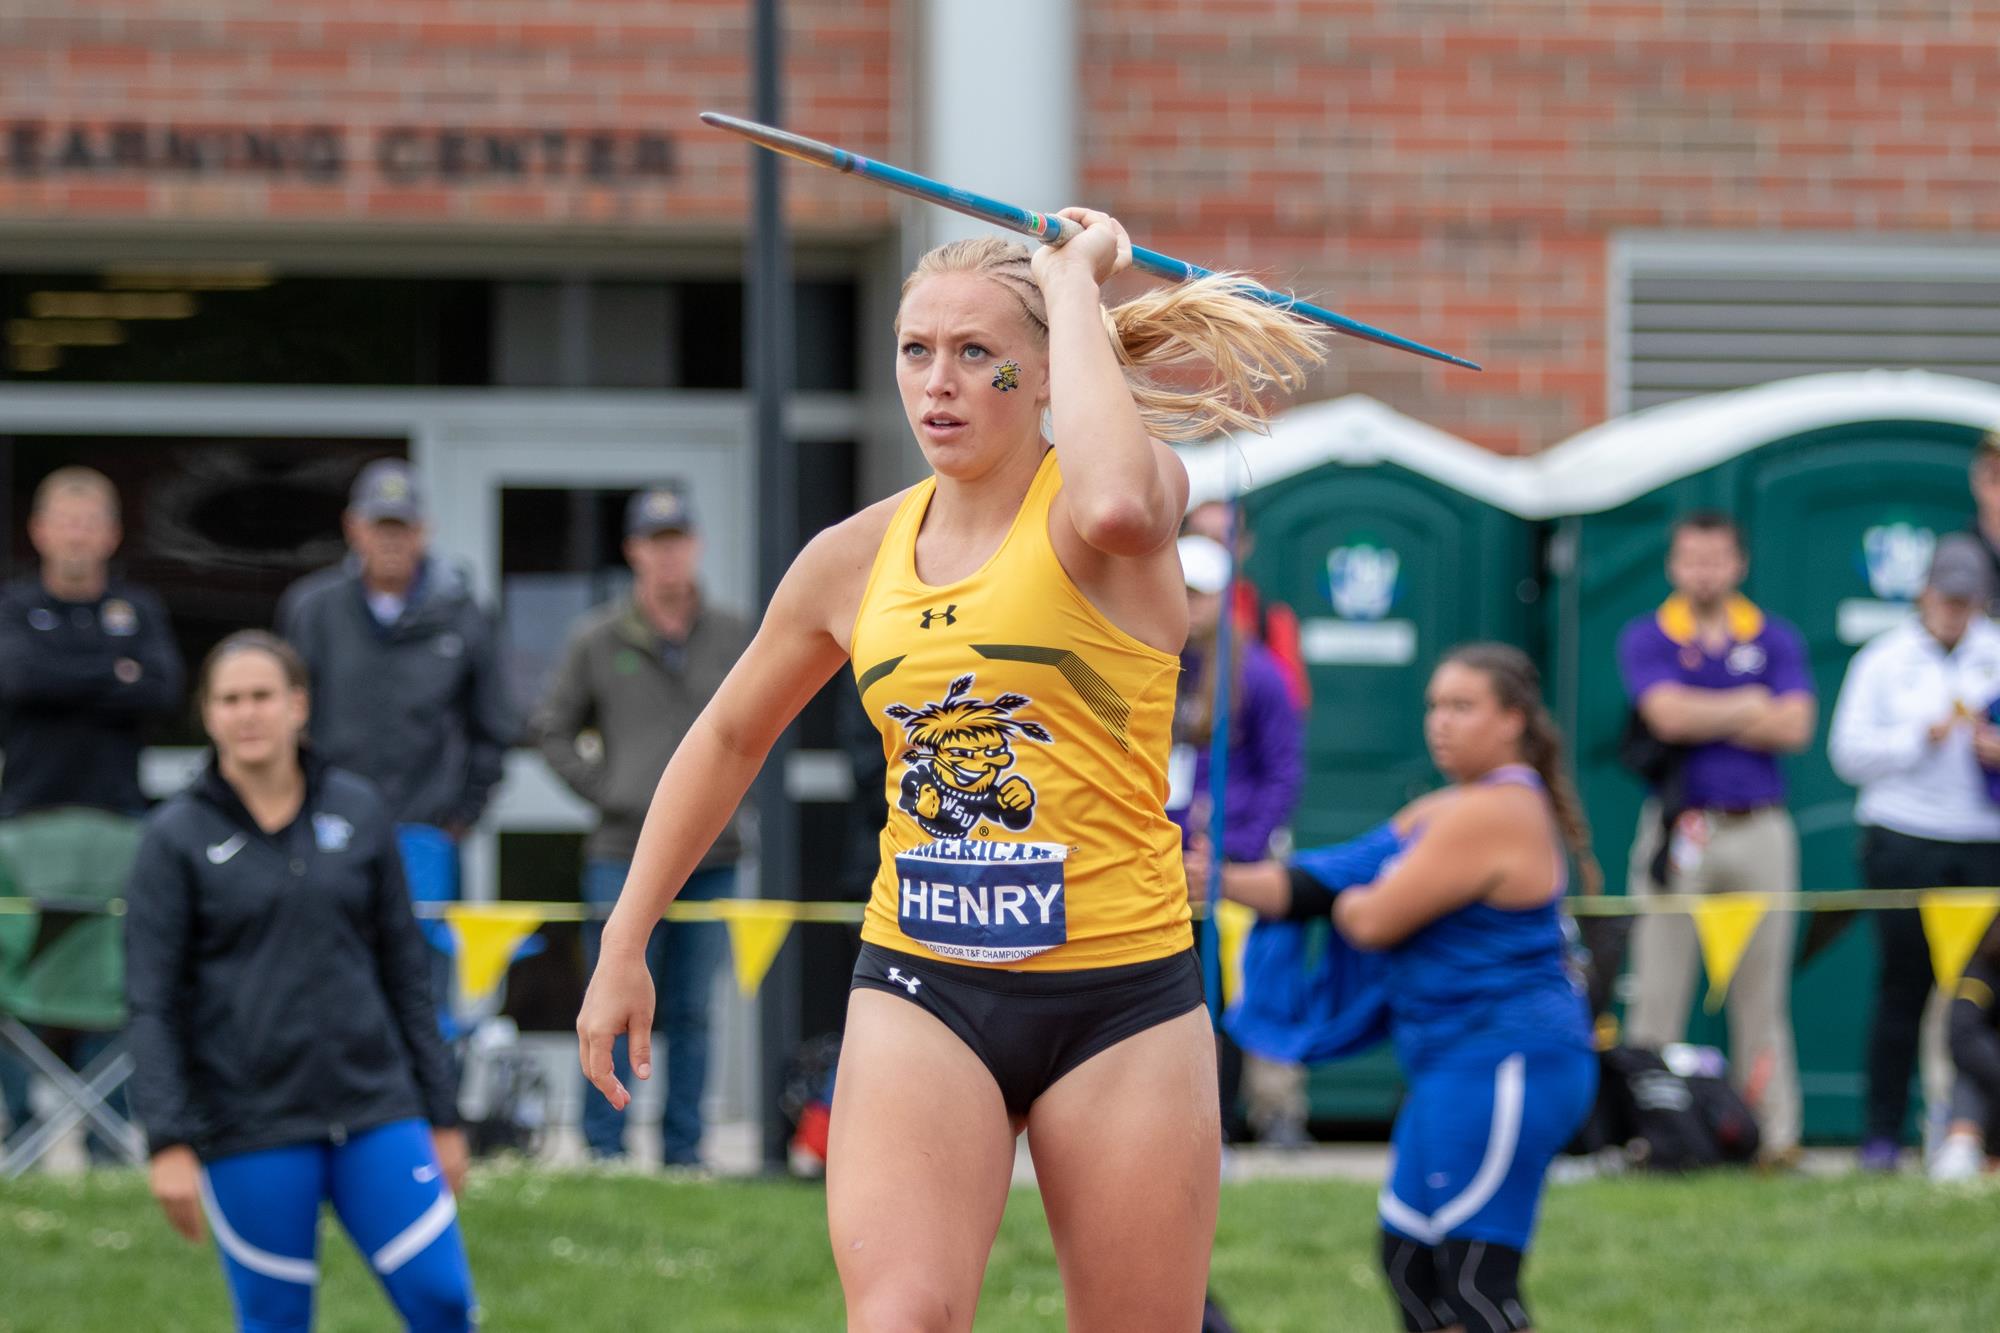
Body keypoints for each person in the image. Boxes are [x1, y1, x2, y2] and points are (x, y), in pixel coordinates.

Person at [577, 213, 1326, 1329]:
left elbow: (1115, 499)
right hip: (925, 981)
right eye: (915, 350)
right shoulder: (849, 558)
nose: (940, 382)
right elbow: (728, 738)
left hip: (1120, 992)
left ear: (1043, 370)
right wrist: (625, 937)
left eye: (978, 353)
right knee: (898, 1319)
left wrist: (1075, 281)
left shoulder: (1115, 506)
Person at [1197, 644, 1598, 1333]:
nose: (1440, 722)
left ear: (1515, 721)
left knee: (1474, 1281)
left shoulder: (1498, 810)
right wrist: (1204, 874)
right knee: (1410, 1263)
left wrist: (1356, 898)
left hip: (1508, 1060)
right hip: (1446, 1064)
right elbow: (1314, 881)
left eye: (1462, 706)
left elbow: (1373, 917)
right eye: (1434, 705)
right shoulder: (1444, 809)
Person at [124, 631, 474, 1332]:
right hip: (249, 1122)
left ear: (298, 706)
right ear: (209, 714)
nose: (246, 712)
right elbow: (150, 1001)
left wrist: (442, 1113)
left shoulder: (360, 810)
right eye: (229, 699)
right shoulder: (173, 836)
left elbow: (408, 972)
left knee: (443, 1299)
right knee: (277, 1321)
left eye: (262, 695)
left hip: (376, 1108)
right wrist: (166, 1138)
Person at [530, 486, 752, 1167]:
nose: (668, 555)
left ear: (698, 545)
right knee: (613, 1000)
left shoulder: (734, 632)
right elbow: (550, 726)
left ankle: (685, 1149)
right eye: (655, 542)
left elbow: (767, 721)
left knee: (690, 1008)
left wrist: (740, 794)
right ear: (633, 552)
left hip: (713, 851)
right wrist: (611, 791)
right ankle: (604, 1148)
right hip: (622, 849)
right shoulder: (599, 638)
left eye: (678, 538)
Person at [277, 459, 516, 1012]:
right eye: (379, 526)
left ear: (424, 531)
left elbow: (494, 726)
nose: (390, 540)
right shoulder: (312, 609)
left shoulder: (462, 614)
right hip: (327, 830)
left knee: (424, 992)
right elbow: (286, 718)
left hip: (427, 833)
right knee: (327, 982)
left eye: (401, 527)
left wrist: (461, 815)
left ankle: (426, 1102)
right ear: (353, 528)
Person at [1617, 511, 1816, 1166]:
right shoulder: (1647, 634)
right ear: (1674, 565)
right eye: (1690, 559)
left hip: (1758, 824)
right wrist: (1749, 703)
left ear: (1738, 563)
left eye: (1716, 559)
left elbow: (1795, 727)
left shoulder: (1776, 636)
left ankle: (1774, 1137)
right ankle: (1651, 1133)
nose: (1703, 571)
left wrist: (1711, 709)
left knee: (1763, 992)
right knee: (1657, 987)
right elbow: (1665, 715)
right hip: (1681, 826)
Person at [0, 466, 183, 1154]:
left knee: (118, 979)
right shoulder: (15, 607)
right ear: (39, 530)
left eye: (89, 522)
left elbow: (160, 687)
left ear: (110, 534)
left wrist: (70, 676)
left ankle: (109, 1139)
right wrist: (111, 671)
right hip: (23, 829)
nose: (77, 535)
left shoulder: (140, 610)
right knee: (13, 980)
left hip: (119, 827)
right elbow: (17, 676)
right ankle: (21, 1128)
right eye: (65, 521)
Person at [1828, 535, 2000, 1171]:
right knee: (1902, 993)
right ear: (1924, 593)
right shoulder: (1883, 659)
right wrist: (1917, 739)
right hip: (1904, 839)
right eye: (1946, 597)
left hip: (1985, 843)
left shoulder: (1995, 652)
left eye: (1968, 601)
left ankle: (1965, 1135)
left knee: (1981, 1002)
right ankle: (1881, 1138)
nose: (1955, 611)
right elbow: (1847, 754)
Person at [1170, 532, 1308, 1146]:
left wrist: (1237, 845)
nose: (1188, 605)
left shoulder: (1259, 674)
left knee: (1256, 990)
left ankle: (1276, 1114)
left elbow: (1283, 772)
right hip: (1169, 862)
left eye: (1200, 595)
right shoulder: (1157, 664)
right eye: (1182, 593)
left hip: (1238, 864)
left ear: (1223, 599)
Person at [1183, 498, 1310, 710]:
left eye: (1221, 538)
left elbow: (1287, 703)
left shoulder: (1270, 619)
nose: (1209, 547)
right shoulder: (1156, 604)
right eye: (1198, 534)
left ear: (1244, 545)